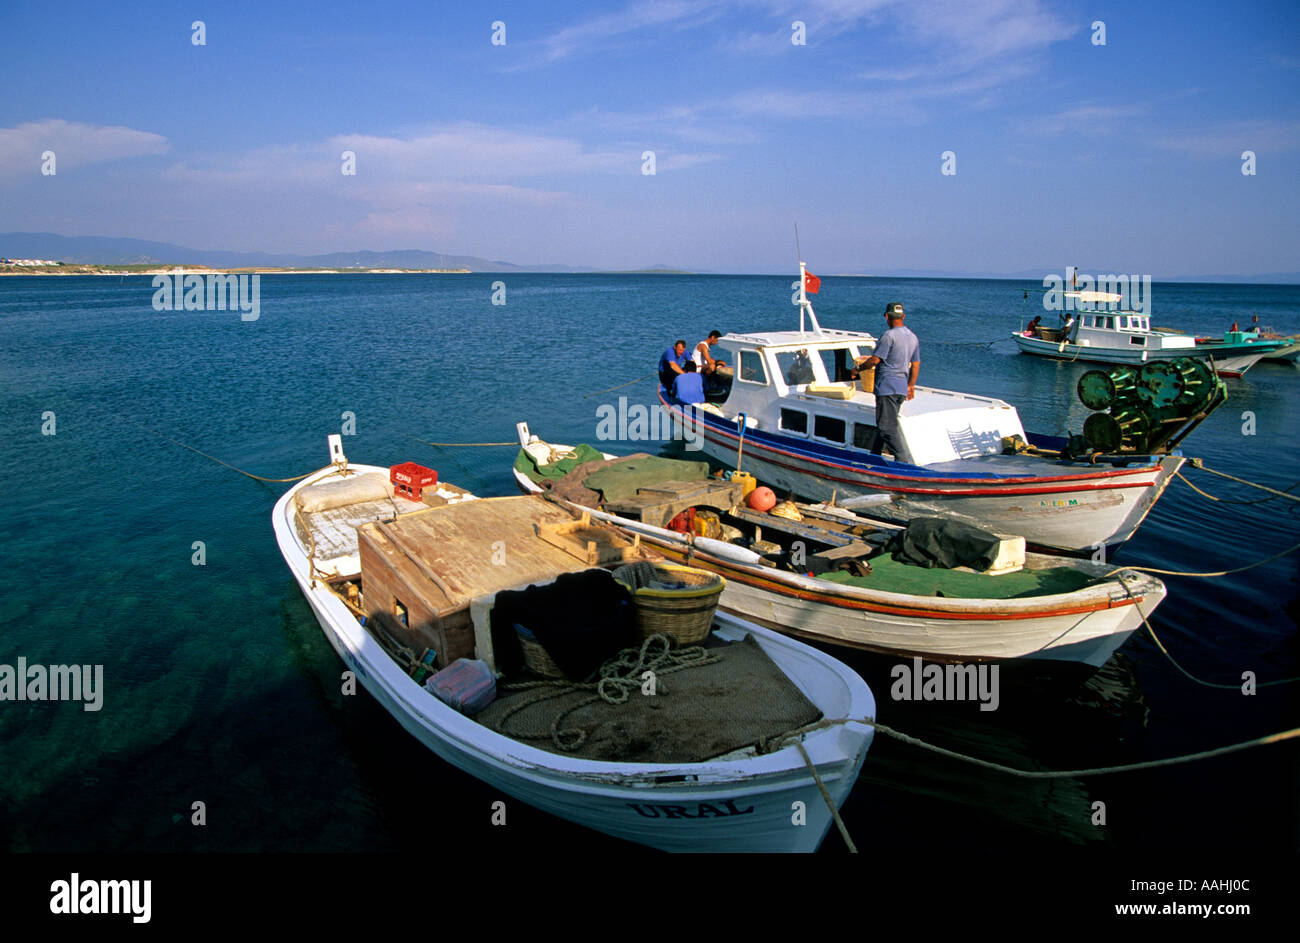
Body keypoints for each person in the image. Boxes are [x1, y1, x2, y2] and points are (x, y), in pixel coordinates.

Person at [859, 302, 920, 457]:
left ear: (886, 316)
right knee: (886, 425)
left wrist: (857, 370)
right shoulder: (913, 337)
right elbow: (916, 365)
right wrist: (911, 386)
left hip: (887, 387)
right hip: (901, 388)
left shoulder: (888, 336)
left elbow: (875, 360)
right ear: (903, 316)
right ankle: (874, 456)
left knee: (886, 427)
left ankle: (902, 460)